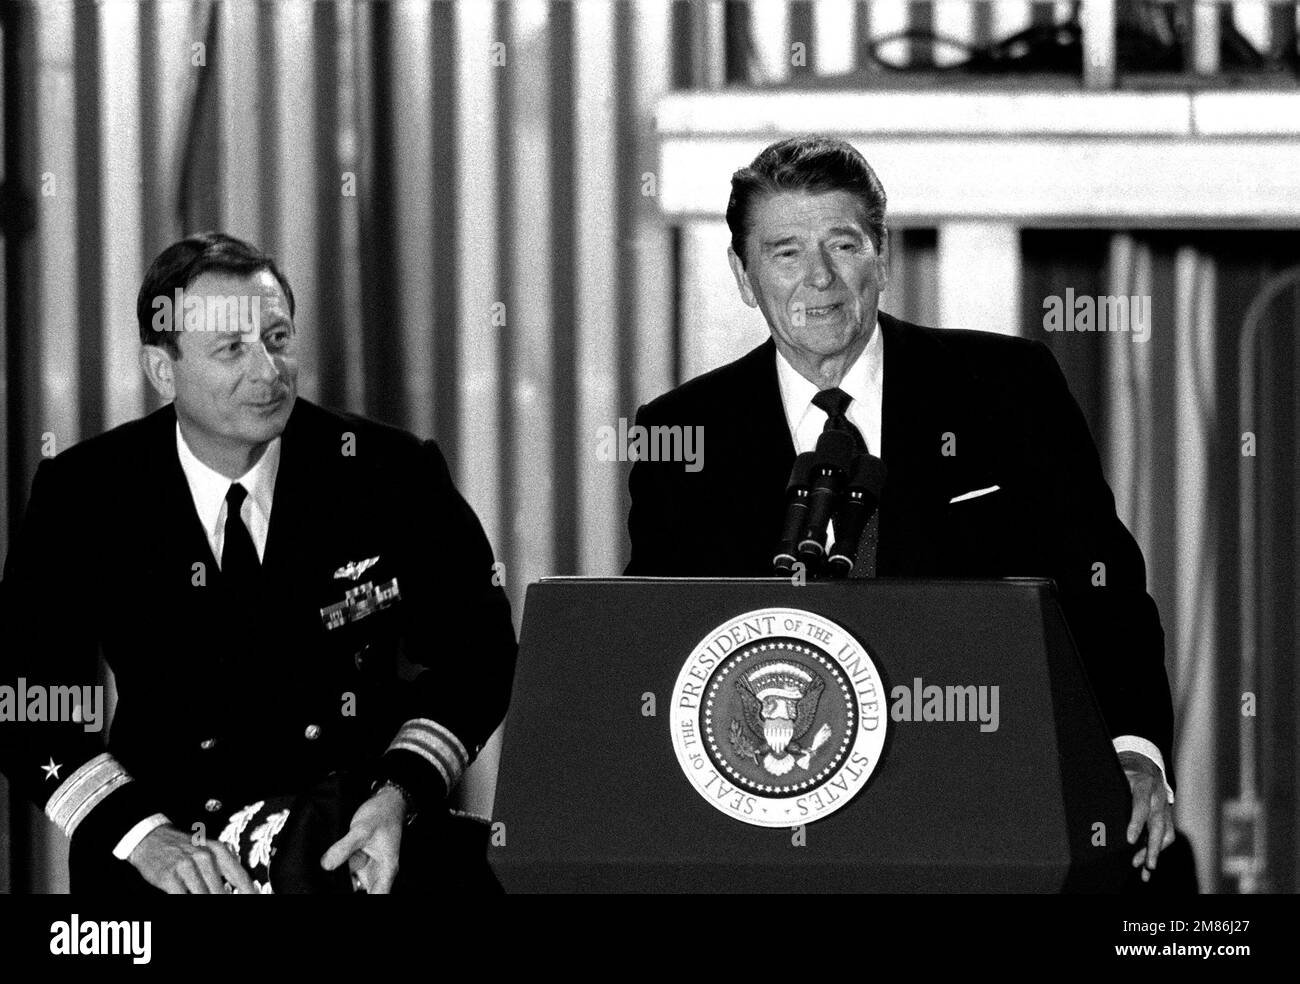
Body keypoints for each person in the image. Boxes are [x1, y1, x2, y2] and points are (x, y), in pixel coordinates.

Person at [625, 136, 1178, 884]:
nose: (818, 277)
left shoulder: (1007, 387)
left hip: (985, 805)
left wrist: (1133, 752)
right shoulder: (680, 432)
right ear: (744, 276)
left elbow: (1102, 585)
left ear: (881, 255)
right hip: (772, 829)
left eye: (843, 244)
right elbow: (656, 642)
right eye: (785, 252)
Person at [0, 232, 517, 894]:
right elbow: (24, 695)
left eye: (277, 338)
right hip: (168, 856)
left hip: (355, 846)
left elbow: (478, 651)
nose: (268, 372)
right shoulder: (88, 492)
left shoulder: (386, 471)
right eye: (232, 350)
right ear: (164, 370)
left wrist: (399, 794)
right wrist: (142, 839)